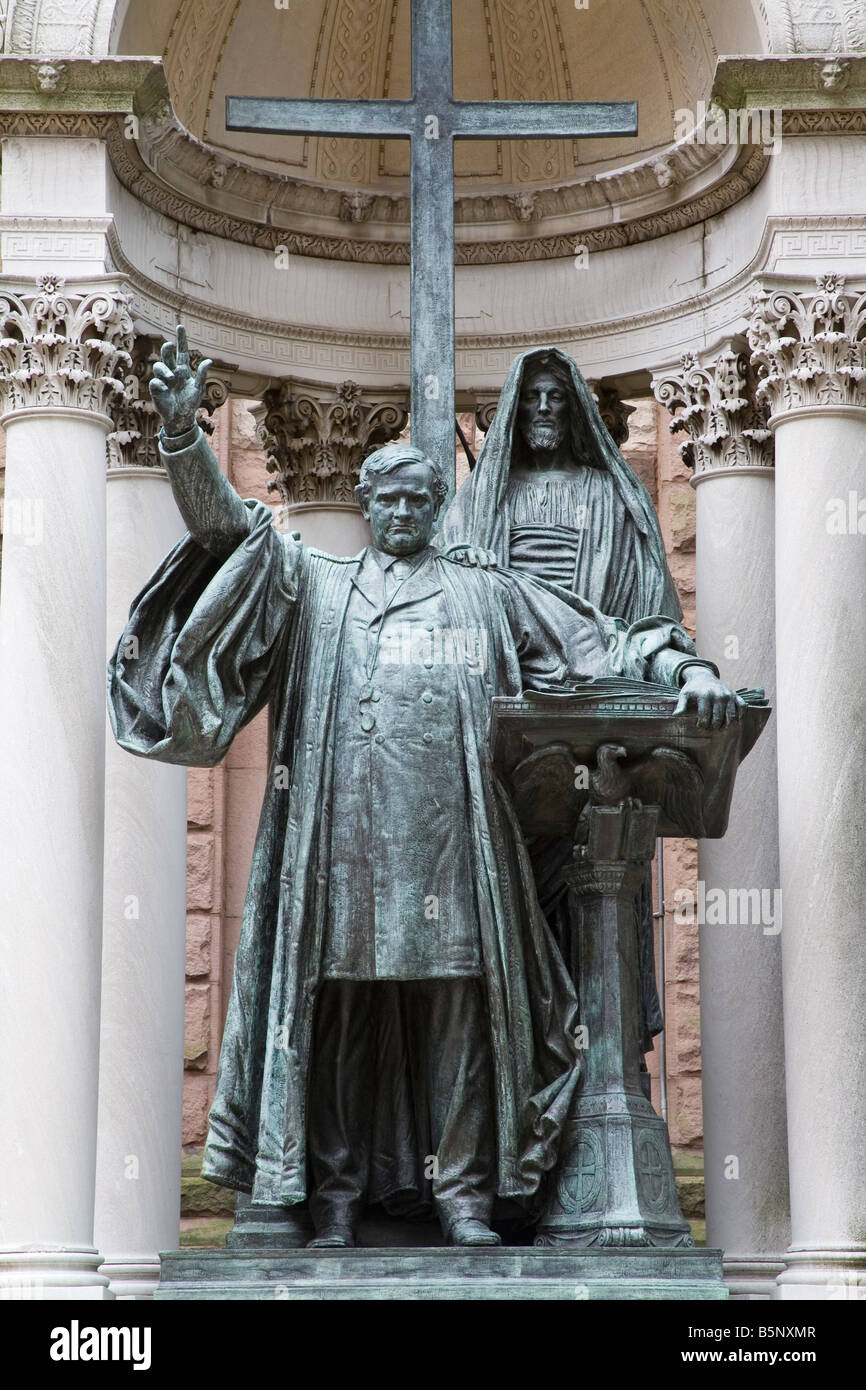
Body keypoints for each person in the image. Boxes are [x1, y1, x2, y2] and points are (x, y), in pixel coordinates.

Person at [108, 328, 740, 1247]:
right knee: (339, 1028)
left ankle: (467, 1197)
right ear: (365, 504)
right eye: (387, 498)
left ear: (438, 505)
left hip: (456, 856)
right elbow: (224, 531)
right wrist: (180, 439)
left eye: (418, 497)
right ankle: (328, 1199)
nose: (401, 511)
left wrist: (687, 667)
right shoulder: (314, 584)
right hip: (339, 851)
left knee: (460, 1030)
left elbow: (601, 637)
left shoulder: (484, 593)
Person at [441, 347, 683, 1061]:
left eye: (557, 398)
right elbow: (443, 603)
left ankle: (602, 1076)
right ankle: (518, 1081)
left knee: (596, 903)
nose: (545, 410)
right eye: (534, 399)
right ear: (513, 414)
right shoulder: (478, 506)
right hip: (505, 736)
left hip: (595, 723)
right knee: (505, 914)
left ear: (574, 412)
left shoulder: (611, 498)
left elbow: (648, 614)